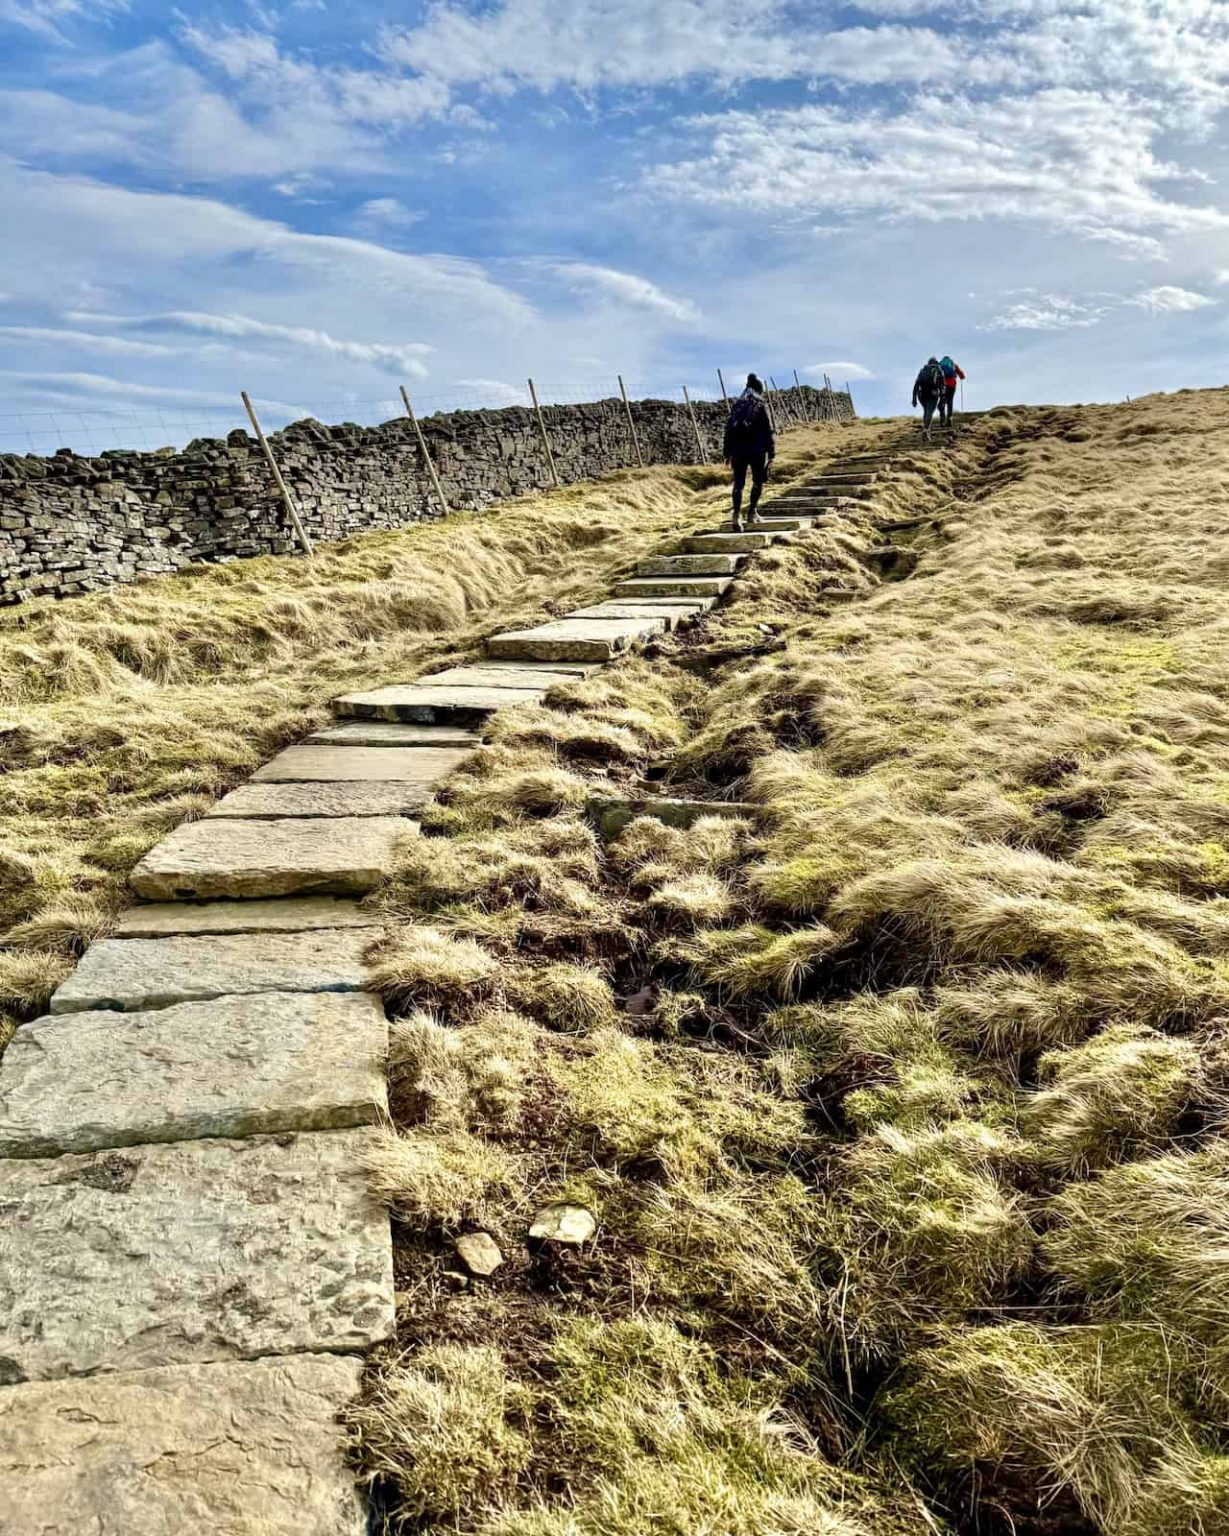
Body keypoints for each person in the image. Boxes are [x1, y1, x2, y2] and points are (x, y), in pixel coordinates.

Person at [723, 374, 775, 530]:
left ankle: (736, 515)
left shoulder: (737, 405)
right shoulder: (760, 404)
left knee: (738, 483)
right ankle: (752, 512)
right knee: (758, 481)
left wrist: (727, 453)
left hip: (738, 451)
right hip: (757, 450)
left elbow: (728, 430)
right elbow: (768, 430)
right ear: (759, 390)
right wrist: (772, 455)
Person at [912, 357, 946, 441]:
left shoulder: (923, 370)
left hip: (921, 394)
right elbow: (942, 386)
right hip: (933, 393)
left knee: (926, 411)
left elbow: (916, 384)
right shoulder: (938, 370)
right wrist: (942, 399)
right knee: (929, 411)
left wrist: (914, 398)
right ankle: (926, 430)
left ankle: (926, 429)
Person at [938, 355, 966, 428]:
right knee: (950, 401)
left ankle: (942, 420)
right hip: (952, 385)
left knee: (942, 401)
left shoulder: (939, 365)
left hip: (942, 386)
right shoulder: (953, 365)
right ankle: (949, 419)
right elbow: (962, 375)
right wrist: (961, 377)